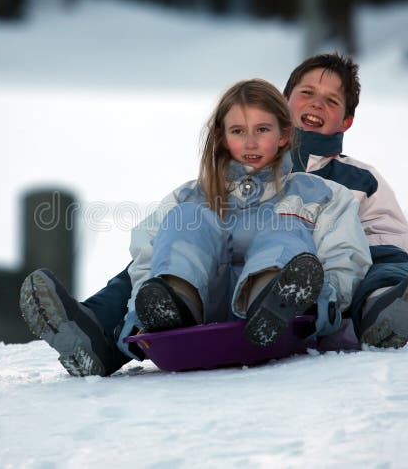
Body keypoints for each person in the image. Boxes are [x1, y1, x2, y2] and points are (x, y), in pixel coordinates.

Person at [19, 53, 408, 377]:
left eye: (330, 101)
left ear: (344, 121)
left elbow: (365, 251)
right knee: (169, 245)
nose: (316, 103)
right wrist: (147, 294)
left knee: (342, 252)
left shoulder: (344, 184)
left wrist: (330, 296)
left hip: (305, 287)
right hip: (204, 286)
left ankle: (373, 309)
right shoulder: (199, 191)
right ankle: (104, 328)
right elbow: (151, 250)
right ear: (285, 102)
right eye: (307, 93)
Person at [114, 79, 370, 361]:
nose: (250, 142)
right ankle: (175, 301)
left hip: (285, 319)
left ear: (284, 134)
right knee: (188, 219)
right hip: (197, 312)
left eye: (262, 129)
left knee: (284, 224)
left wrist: (322, 303)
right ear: (223, 137)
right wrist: (142, 311)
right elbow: (147, 258)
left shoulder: (321, 195)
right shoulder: (187, 197)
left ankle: (274, 294)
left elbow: (345, 257)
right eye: (238, 131)